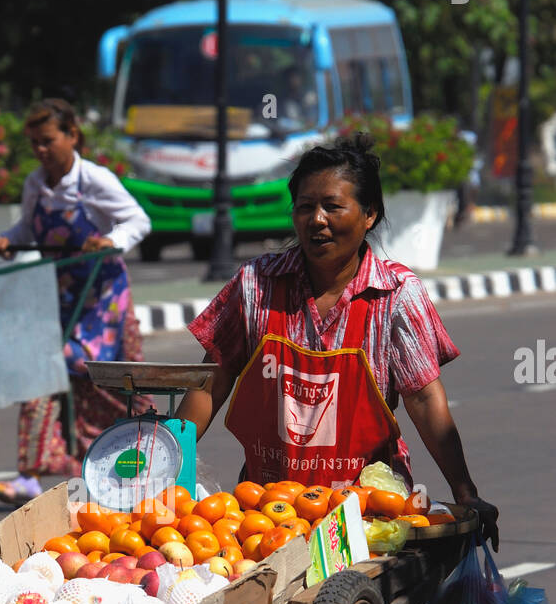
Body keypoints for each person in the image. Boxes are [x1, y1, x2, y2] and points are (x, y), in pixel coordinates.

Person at [176, 131, 499, 549]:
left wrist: (464, 491)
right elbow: (212, 380)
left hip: (370, 509)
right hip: (268, 511)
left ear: (370, 215)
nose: (318, 220)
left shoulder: (397, 294)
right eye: (306, 207)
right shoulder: (256, 284)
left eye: (333, 206)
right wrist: (166, 462)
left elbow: (423, 398)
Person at [0, 98, 153, 505]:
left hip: (102, 297)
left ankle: (129, 463)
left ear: (72, 135)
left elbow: (138, 221)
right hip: (60, 293)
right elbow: (28, 226)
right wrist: (9, 240)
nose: (41, 152)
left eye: (48, 141)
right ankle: (32, 473)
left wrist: (110, 241)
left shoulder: (94, 180)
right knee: (43, 370)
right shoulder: (35, 184)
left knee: (100, 380)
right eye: (35, 145)